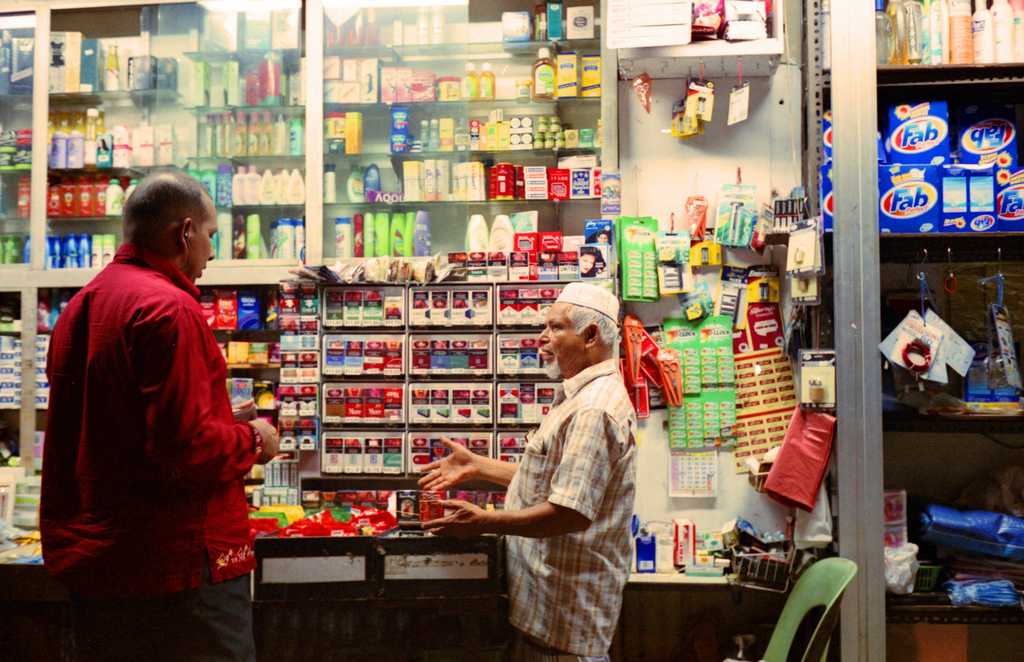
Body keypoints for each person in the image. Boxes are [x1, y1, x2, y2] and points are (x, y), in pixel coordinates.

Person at [40, 170, 280, 662]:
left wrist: (216, 418)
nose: (212, 254)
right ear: (184, 232)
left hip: (101, 568)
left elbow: (109, 426)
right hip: (179, 574)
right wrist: (254, 439)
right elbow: (188, 451)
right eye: (211, 236)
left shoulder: (79, 308)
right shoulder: (170, 308)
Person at [419, 282, 636, 662]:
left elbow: (570, 510)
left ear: (590, 336)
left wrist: (485, 521)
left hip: (564, 621)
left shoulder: (594, 409)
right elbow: (558, 479)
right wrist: (478, 466)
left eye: (555, 327)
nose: (542, 336)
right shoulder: (581, 396)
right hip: (546, 611)